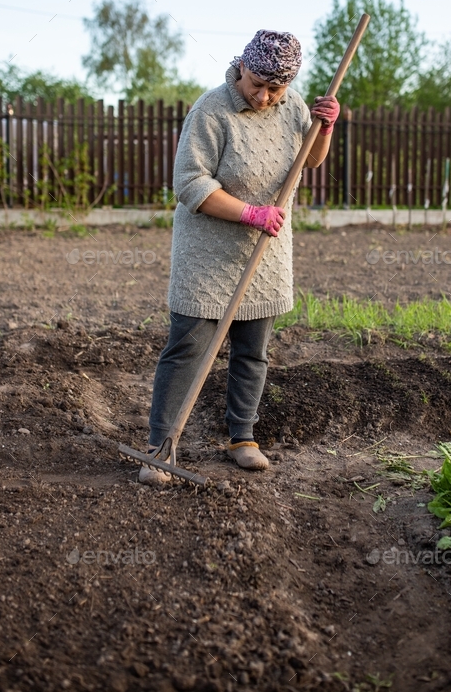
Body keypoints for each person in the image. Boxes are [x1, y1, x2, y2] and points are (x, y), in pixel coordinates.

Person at [140, 29, 339, 484]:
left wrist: (324, 128)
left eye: (277, 89)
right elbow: (190, 184)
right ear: (242, 67)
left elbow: (308, 161)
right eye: (258, 85)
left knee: (253, 351)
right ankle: (160, 445)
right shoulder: (211, 110)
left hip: (264, 253)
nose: (265, 96)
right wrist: (249, 212)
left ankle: (242, 437)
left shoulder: (292, 106)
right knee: (188, 348)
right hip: (208, 253)